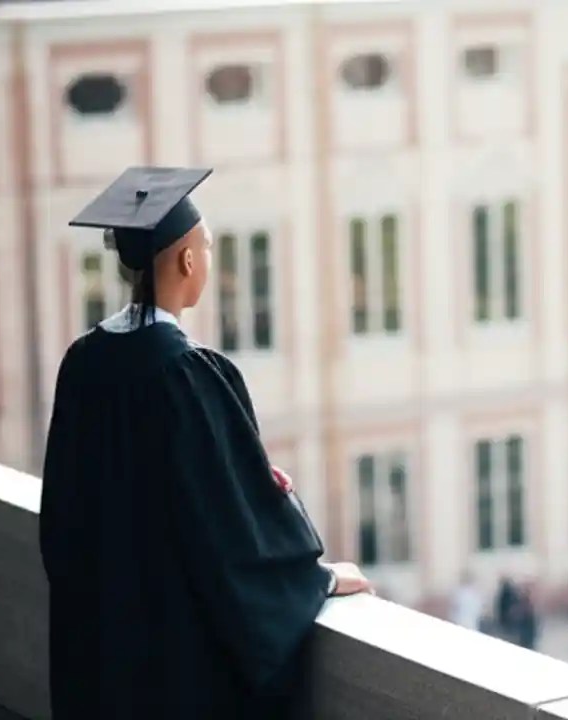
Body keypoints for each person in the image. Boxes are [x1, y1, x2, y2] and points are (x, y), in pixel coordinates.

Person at [39, 167, 372, 718]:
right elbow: (231, 531)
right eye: (208, 247)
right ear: (188, 261)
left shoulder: (82, 362)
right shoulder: (188, 375)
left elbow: (61, 520)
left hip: (102, 649)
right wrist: (319, 578)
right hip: (171, 664)